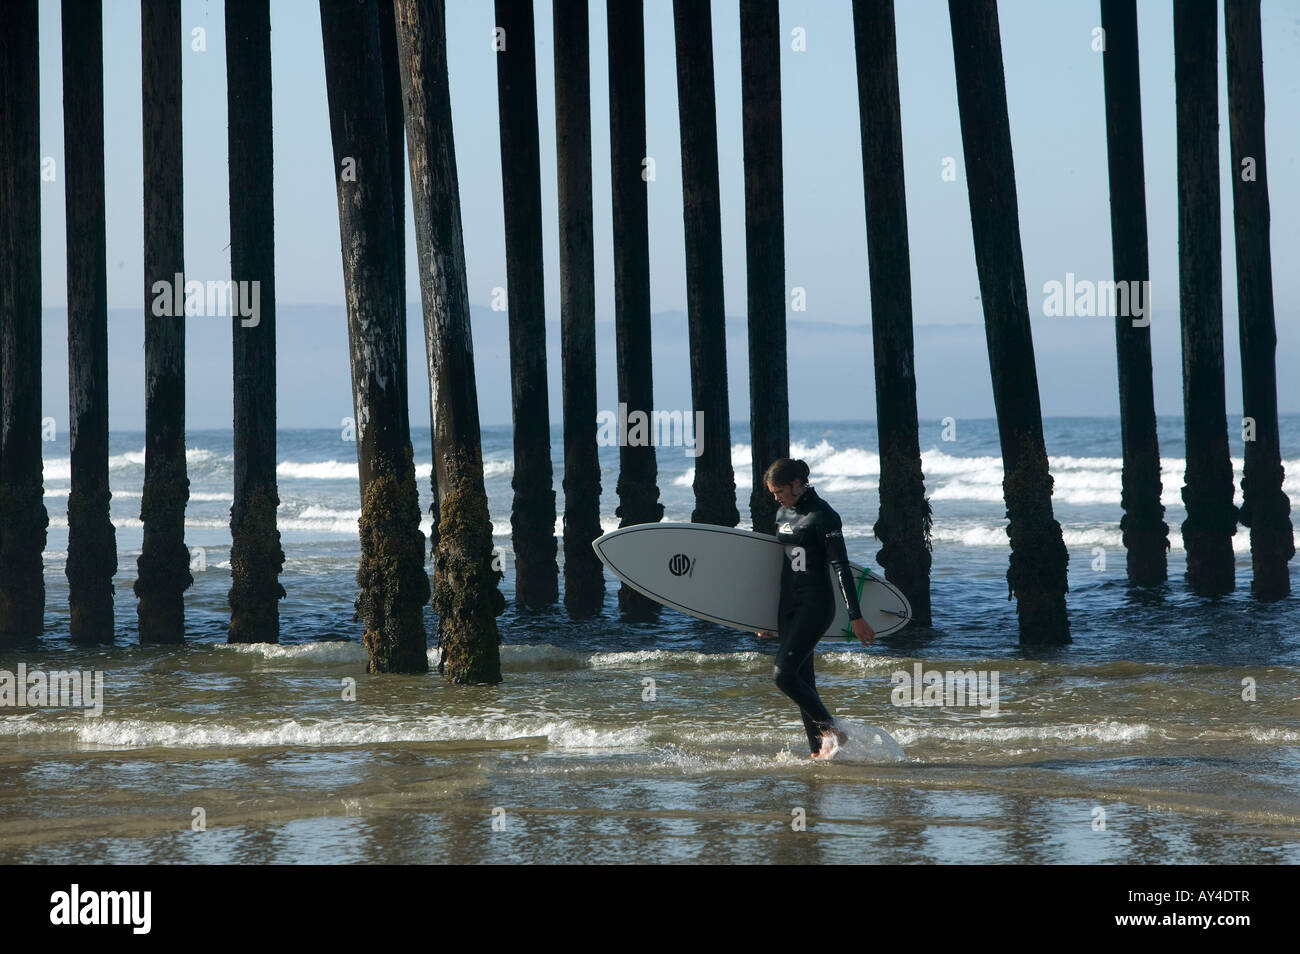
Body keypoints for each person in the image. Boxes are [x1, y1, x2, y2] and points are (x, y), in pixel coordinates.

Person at [755, 458, 875, 759]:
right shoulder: (782, 513)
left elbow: (841, 568)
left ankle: (832, 730)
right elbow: (775, 568)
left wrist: (856, 617)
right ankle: (817, 752)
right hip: (788, 606)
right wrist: (764, 615)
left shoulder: (824, 516)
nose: (776, 497)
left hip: (815, 604)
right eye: (773, 493)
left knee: (783, 676)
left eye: (780, 490)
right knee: (803, 681)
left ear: (798, 483)